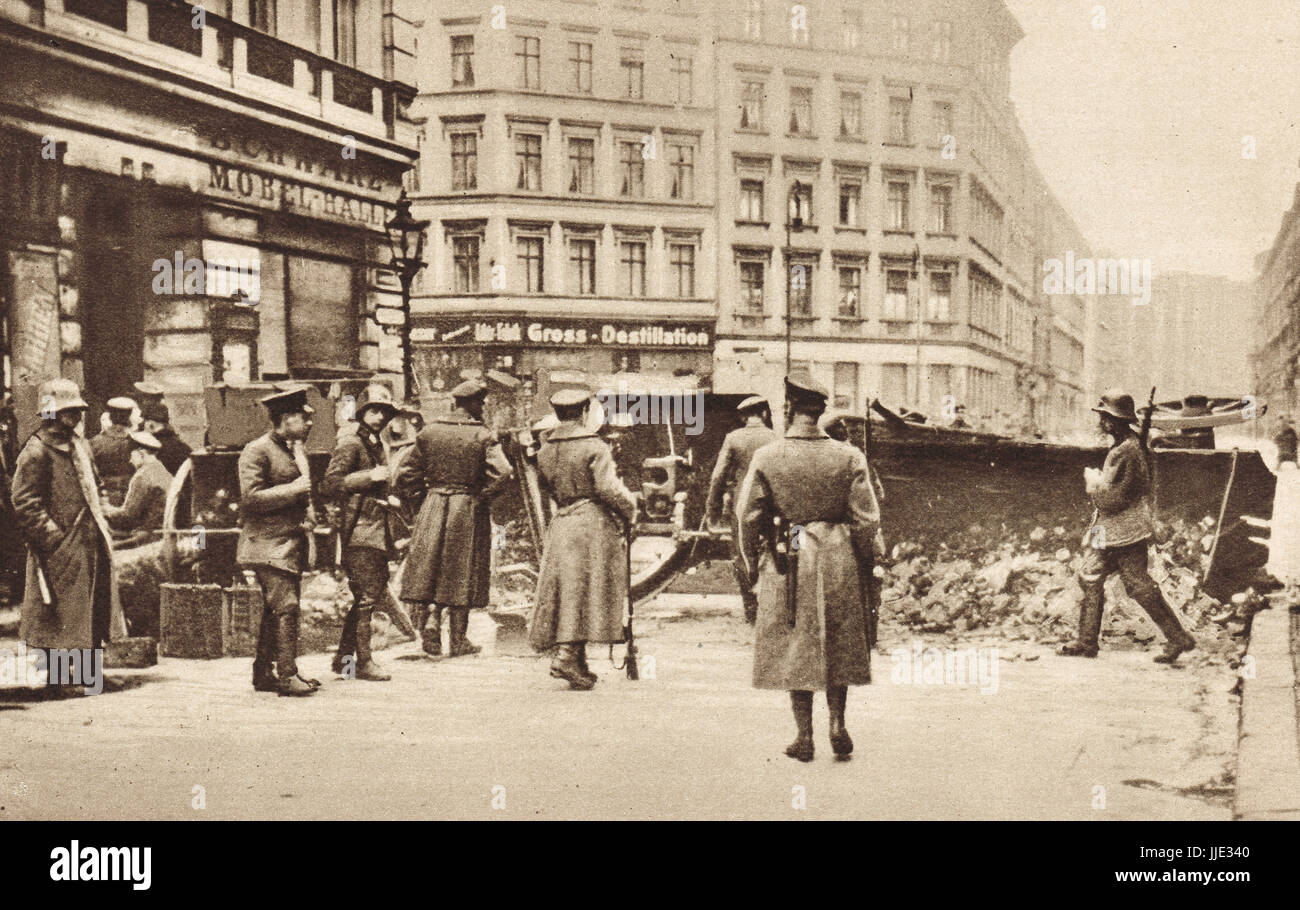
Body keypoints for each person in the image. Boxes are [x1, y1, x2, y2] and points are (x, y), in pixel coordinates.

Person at [738, 374, 880, 762]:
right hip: (837, 551)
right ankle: (838, 724)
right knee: (836, 639)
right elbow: (866, 519)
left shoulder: (768, 455)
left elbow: (748, 516)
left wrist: (753, 564)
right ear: (821, 410)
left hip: (792, 546)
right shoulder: (849, 456)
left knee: (796, 641)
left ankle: (804, 736)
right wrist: (865, 563)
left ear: (788, 407)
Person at [1060, 390, 1196, 663]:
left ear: (1113, 421)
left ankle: (1177, 637)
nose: (1101, 423)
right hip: (1117, 529)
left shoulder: (1127, 451)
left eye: (1104, 417)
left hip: (1123, 531)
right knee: (1093, 576)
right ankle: (1088, 642)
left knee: (1136, 585)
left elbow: (1114, 499)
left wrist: (1093, 485)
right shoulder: (1128, 447)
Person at [11, 379, 126, 683]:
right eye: (68, 411)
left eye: (77, 410)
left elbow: (97, 485)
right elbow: (25, 502)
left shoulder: (81, 446)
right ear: (51, 413)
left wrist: (103, 516)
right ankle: (59, 680)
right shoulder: (36, 451)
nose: (75, 417)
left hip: (90, 542)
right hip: (59, 548)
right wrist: (53, 540)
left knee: (91, 609)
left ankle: (88, 675)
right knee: (58, 616)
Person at [528, 388, 639, 689]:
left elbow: (545, 487)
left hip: (562, 522)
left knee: (567, 591)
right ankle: (566, 656)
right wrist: (631, 509)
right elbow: (608, 488)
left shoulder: (545, 450)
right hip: (591, 523)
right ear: (584, 411)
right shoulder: (595, 446)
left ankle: (576, 660)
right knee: (586, 591)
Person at [397, 378, 513, 657]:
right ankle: (458, 640)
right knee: (462, 569)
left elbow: (405, 474)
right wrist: (482, 496)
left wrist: (421, 502)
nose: (482, 408)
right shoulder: (483, 435)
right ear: (472, 405)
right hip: (466, 507)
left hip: (433, 503)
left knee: (430, 567)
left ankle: (431, 626)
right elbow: (504, 472)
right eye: (480, 403)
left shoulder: (429, 432)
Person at [237, 387, 321, 696]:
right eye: (303, 418)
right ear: (285, 420)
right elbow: (251, 498)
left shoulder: (291, 449)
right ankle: (287, 675)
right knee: (287, 607)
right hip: (266, 544)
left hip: (286, 543)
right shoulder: (256, 450)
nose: (309, 423)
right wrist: (296, 489)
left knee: (276, 610)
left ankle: (263, 673)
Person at [321, 387, 400, 681]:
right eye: (374, 410)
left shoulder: (377, 443)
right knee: (367, 595)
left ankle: (344, 660)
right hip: (358, 528)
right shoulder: (351, 443)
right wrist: (369, 477)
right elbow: (329, 484)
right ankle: (363, 662)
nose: (380, 417)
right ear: (363, 411)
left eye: (385, 412)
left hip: (375, 527)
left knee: (370, 591)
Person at [705, 396, 775, 623]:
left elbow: (718, 476)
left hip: (744, 506)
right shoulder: (777, 438)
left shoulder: (734, 438)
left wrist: (712, 510)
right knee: (778, 551)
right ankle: (773, 605)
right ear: (764, 414)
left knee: (744, 555)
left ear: (744, 417)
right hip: (775, 505)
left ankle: (752, 611)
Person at [103, 430, 173, 546]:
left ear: (140, 453)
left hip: (147, 537)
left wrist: (106, 511)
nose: (130, 461)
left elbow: (128, 515)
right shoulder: (162, 470)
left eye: (131, 455)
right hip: (162, 533)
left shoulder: (143, 476)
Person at [90, 396, 136, 507]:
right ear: (129, 416)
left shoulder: (95, 442)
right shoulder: (136, 442)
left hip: (104, 498)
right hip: (131, 497)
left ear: (110, 416)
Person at [139, 401, 192, 476]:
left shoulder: (153, 447)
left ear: (151, 424)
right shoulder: (180, 444)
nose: (143, 426)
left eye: (145, 421)